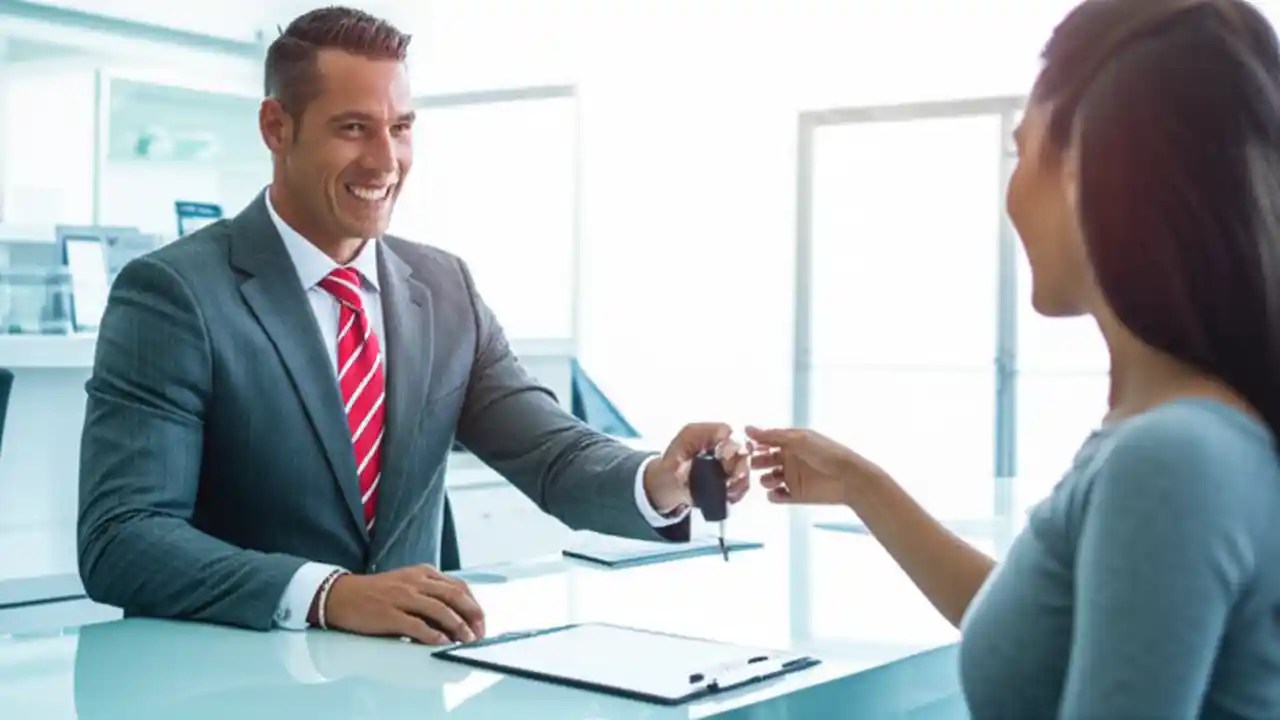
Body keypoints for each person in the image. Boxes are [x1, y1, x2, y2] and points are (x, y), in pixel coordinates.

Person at [76, 6, 750, 647]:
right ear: (277, 128)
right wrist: (328, 594)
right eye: (352, 128)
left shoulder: (444, 288)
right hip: (228, 689)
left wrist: (663, 479)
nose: (385, 160)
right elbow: (124, 537)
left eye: (400, 127)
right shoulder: (175, 294)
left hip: (404, 685)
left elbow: (553, 455)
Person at [748, 0, 1280, 716]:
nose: (1011, 196)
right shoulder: (1187, 436)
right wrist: (861, 485)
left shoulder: (1169, 457)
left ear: (1086, 167)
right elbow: (1047, 638)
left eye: (1022, 151)